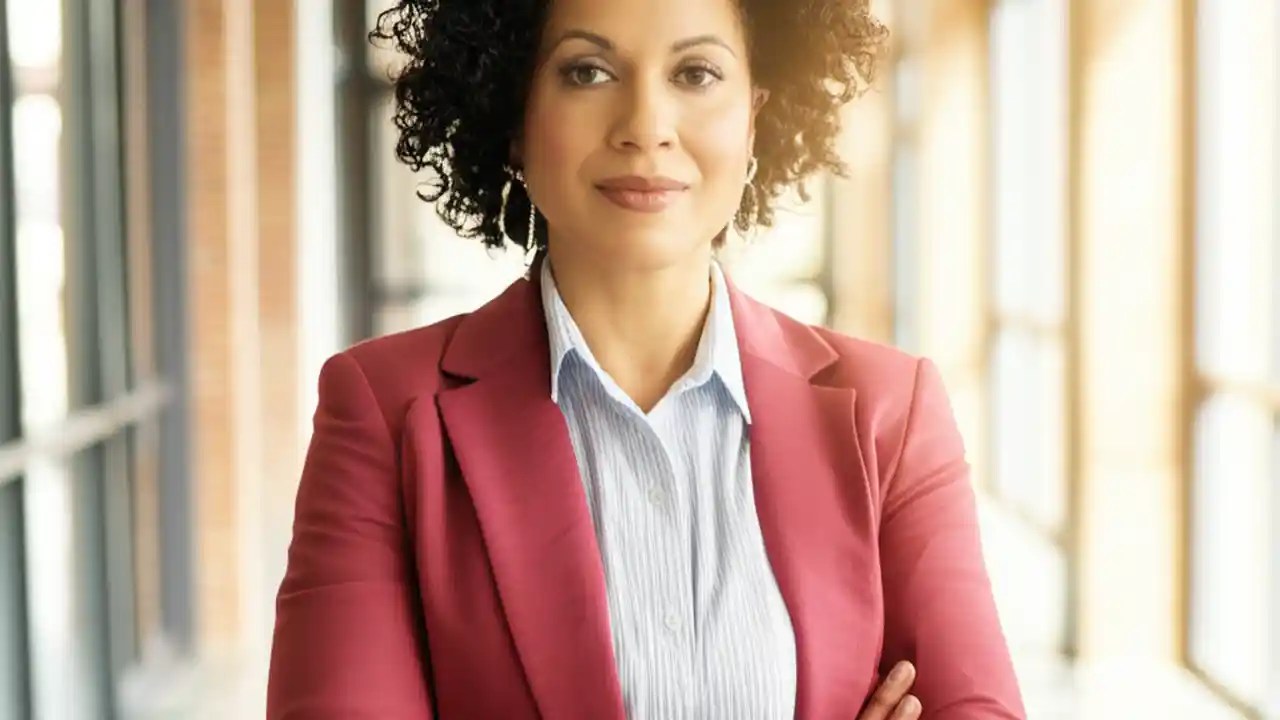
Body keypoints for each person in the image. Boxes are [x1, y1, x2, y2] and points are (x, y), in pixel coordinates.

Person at [266, 0, 1026, 717]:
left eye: (695, 74)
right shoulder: (384, 413)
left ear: (754, 115)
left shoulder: (893, 412)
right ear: (514, 114)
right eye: (587, 72)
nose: (645, 125)